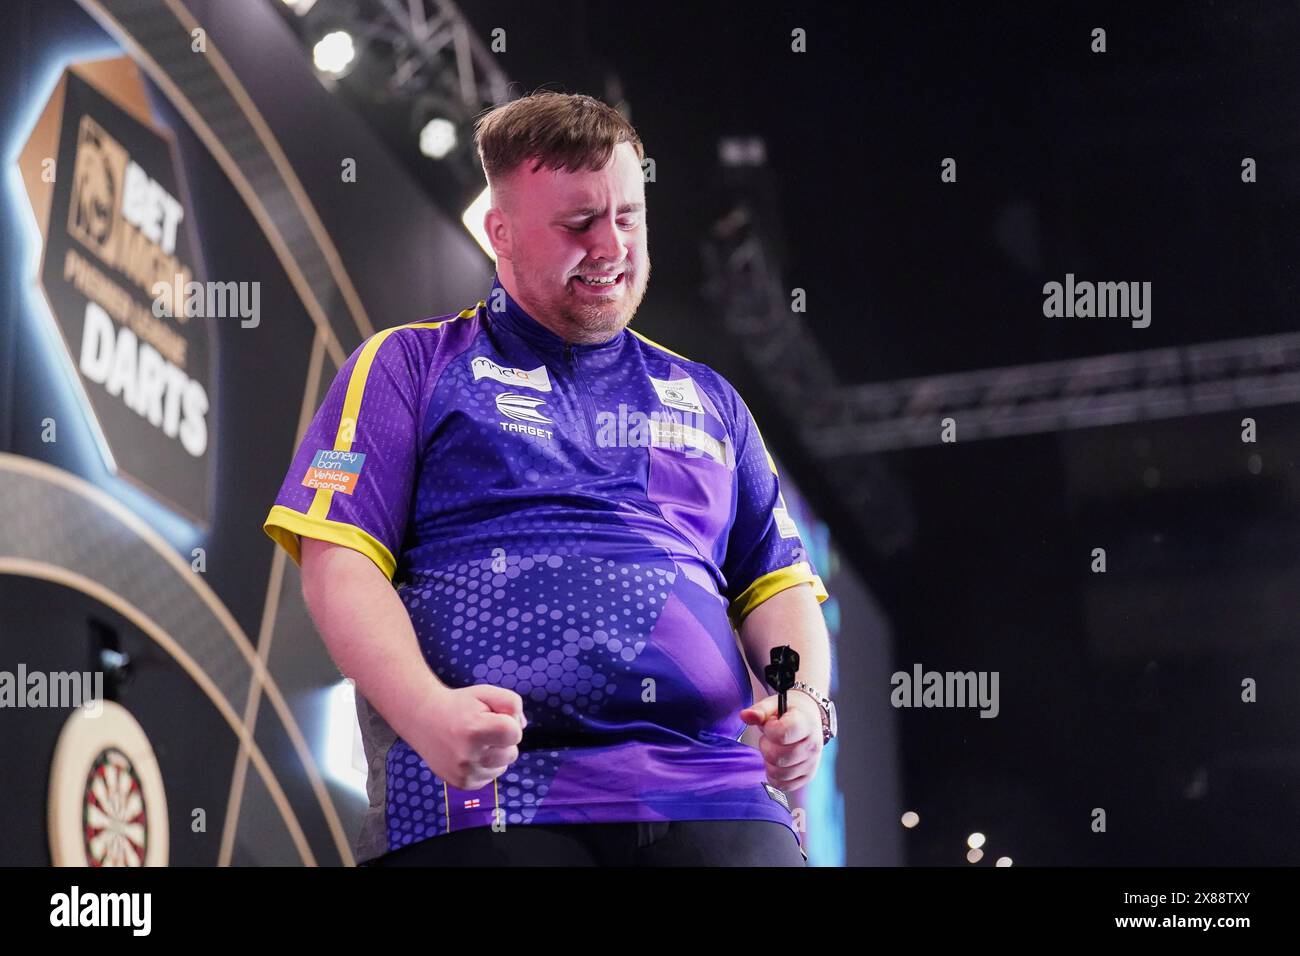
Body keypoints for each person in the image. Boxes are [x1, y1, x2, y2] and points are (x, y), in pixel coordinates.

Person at [264, 91, 836, 867]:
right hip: (491, 797)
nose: (611, 247)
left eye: (628, 217)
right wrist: (427, 713)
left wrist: (801, 702)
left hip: (713, 789)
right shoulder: (410, 366)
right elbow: (340, 564)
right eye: (578, 224)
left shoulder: (709, 399)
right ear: (499, 231)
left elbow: (778, 586)